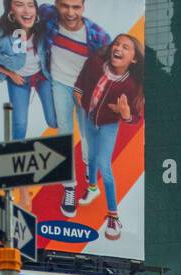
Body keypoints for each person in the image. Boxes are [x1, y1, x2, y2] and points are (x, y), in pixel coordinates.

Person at [41, 0, 112, 217]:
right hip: (60, 84)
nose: (70, 12)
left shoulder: (98, 35)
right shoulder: (49, 17)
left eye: (76, 7)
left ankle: (90, 178)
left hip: (85, 89)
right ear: (56, 5)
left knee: (88, 136)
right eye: (64, 6)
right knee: (64, 136)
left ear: (83, 7)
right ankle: (69, 187)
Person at [72, 34, 144, 242]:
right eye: (117, 44)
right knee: (91, 156)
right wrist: (78, 91)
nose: (118, 48)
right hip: (88, 116)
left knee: (104, 164)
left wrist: (125, 113)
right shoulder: (95, 61)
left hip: (107, 124)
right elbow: (83, 77)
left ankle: (113, 216)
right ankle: (92, 187)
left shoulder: (131, 86)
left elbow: (136, 117)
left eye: (126, 47)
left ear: (134, 59)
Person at [0, 0, 58, 141]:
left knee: (53, 121)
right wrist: (10, 74)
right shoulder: (1, 36)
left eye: (30, 5)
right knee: (20, 126)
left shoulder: (42, 28)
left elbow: (56, 12)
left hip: (42, 76)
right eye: (19, 5)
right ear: (11, 11)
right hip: (19, 80)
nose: (27, 11)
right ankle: (15, 155)